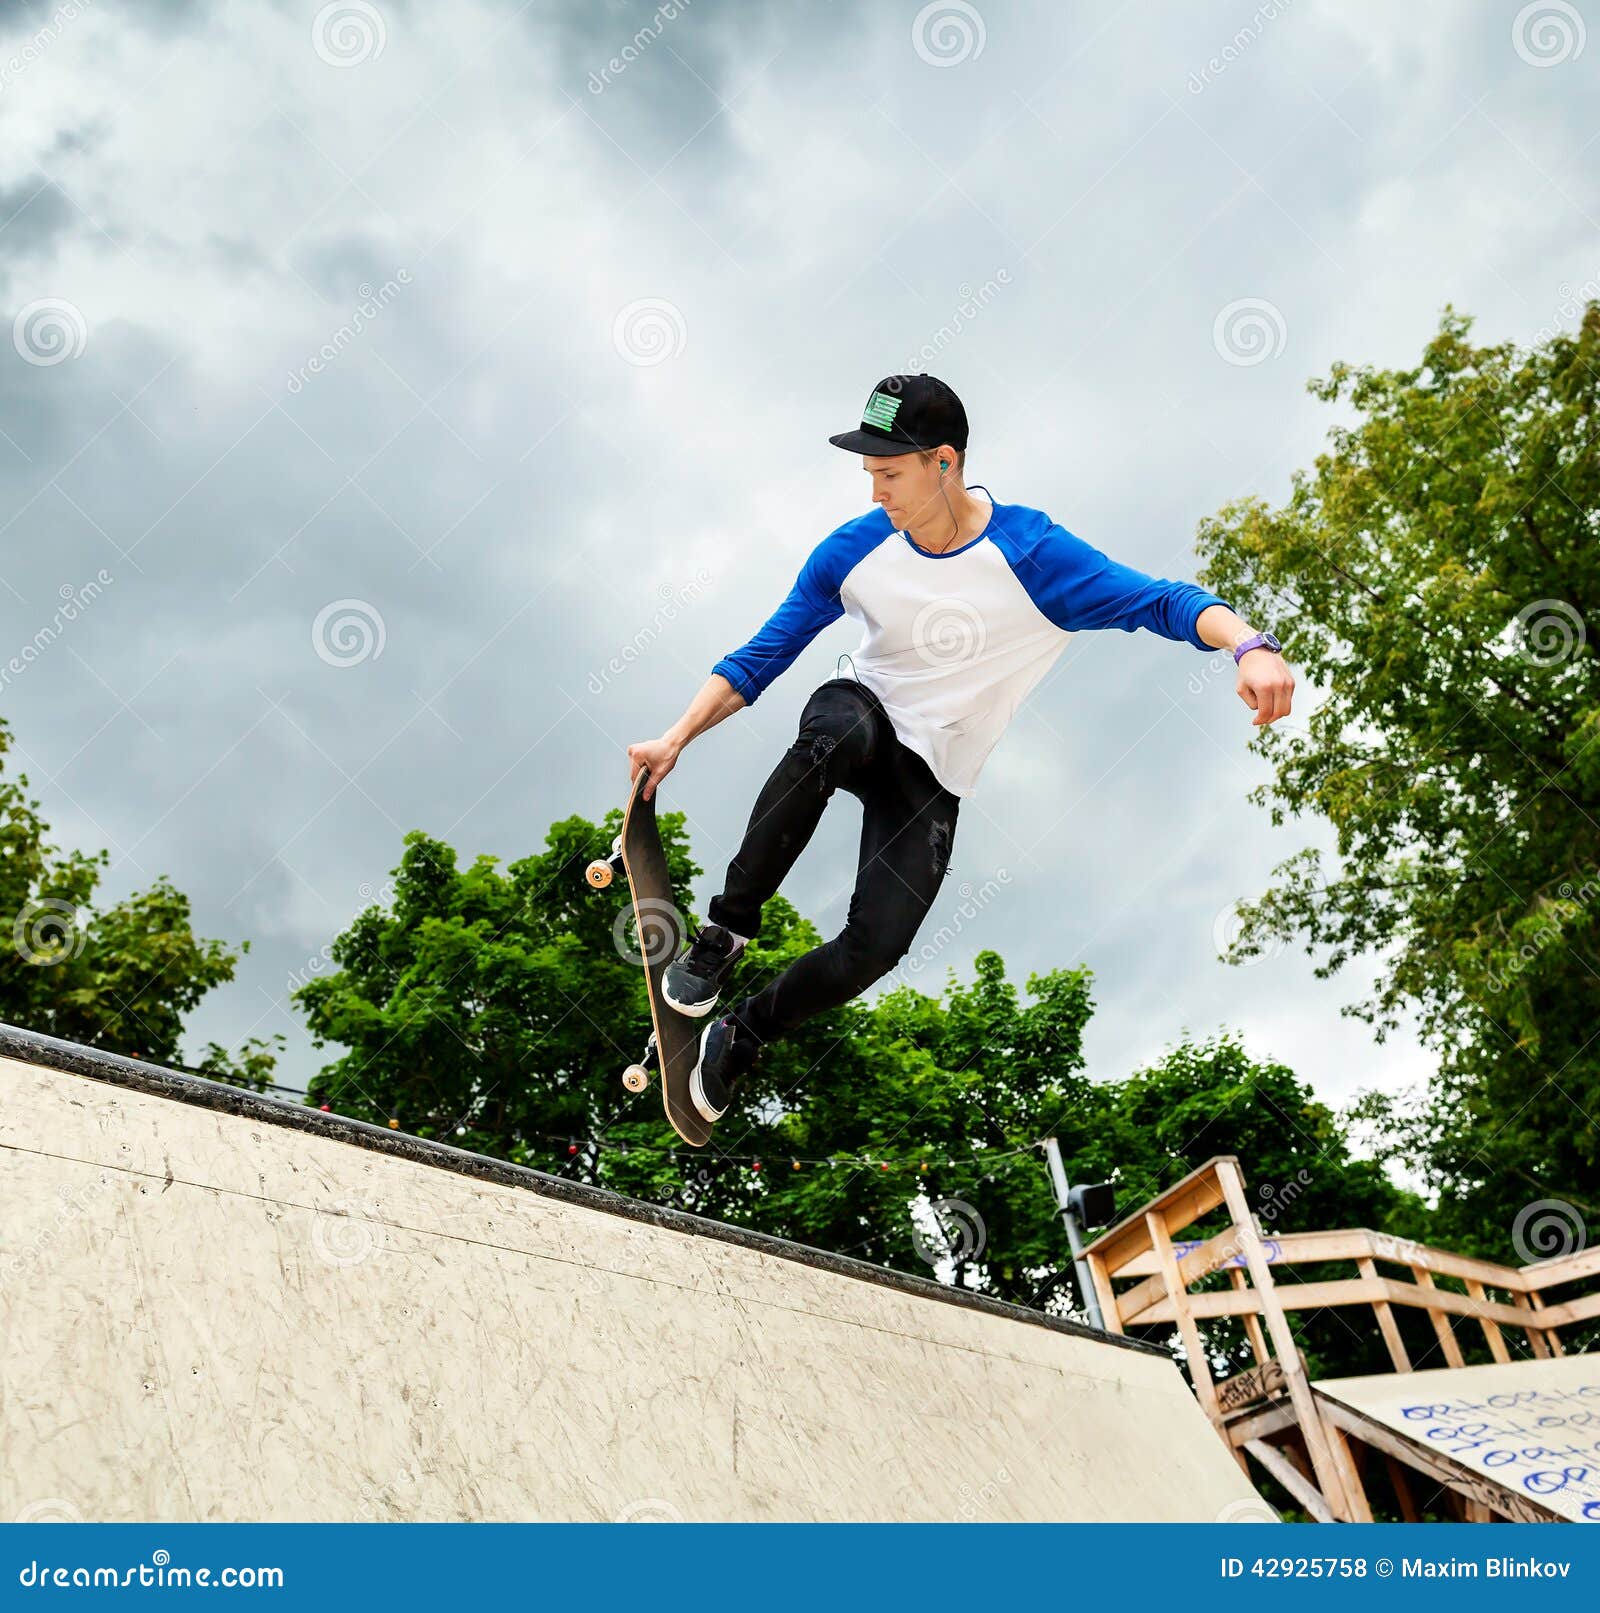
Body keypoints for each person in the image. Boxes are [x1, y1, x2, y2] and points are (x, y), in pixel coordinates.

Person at [626, 374, 1293, 1125]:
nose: (876, 492)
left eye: (890, 473)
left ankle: (742, 1032)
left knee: (876, 946)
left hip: (934, 773)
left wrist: (1249, 645)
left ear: (944, 462)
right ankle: (724, 932)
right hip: (862, 712)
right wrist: (676, 736)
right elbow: (762, 655)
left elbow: (1160, 600)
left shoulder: (1034, 554)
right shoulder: (854, 548)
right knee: (833, 736)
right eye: (868, 475)